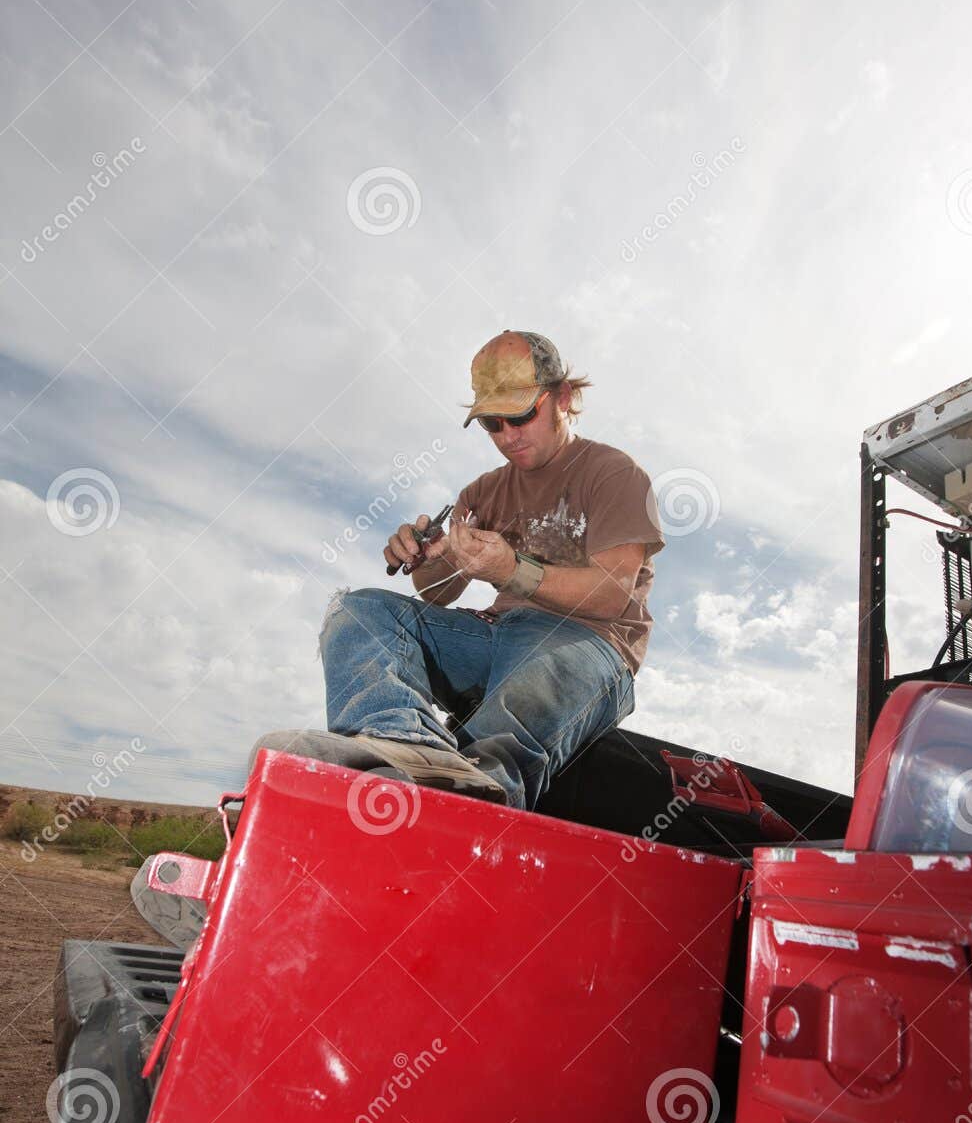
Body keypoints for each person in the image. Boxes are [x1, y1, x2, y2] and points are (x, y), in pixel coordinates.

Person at [251, 330, 665, 809]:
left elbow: (611, 596)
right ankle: (403, 743)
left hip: (589, 646)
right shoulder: (482, 493)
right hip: (493, 637)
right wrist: (430, 559)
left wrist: (513, 571)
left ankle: (479, 789)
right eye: (492, 423)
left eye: (521, 416)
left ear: (562, 399)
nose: (508, 436)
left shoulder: (614, 473)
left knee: (531, 686)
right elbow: (437, 595)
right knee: (357, 610)